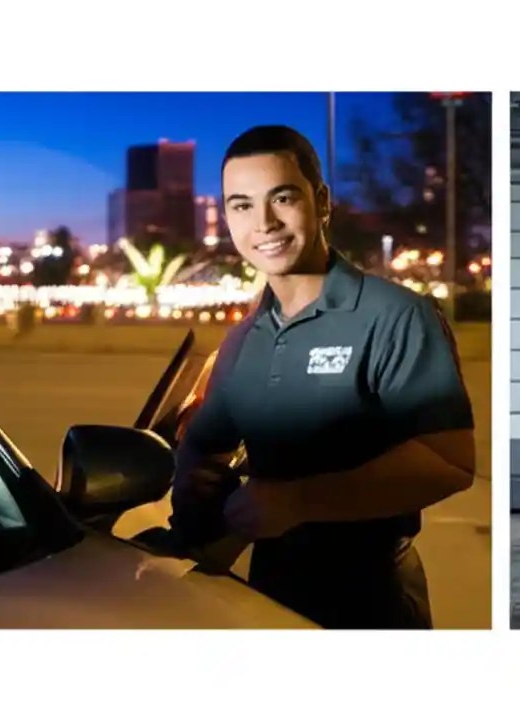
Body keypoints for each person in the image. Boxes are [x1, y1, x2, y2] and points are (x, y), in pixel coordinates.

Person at [168, 124, 476, 629]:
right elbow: (204, 442)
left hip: (373, 597)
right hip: (269, 592)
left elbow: (450, 462)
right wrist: (191, 477)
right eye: (241, 205)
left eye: (282, 198)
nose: (263, 223)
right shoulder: (243, 339)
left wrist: (298, 502)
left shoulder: (395, 316)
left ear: (322, 202)